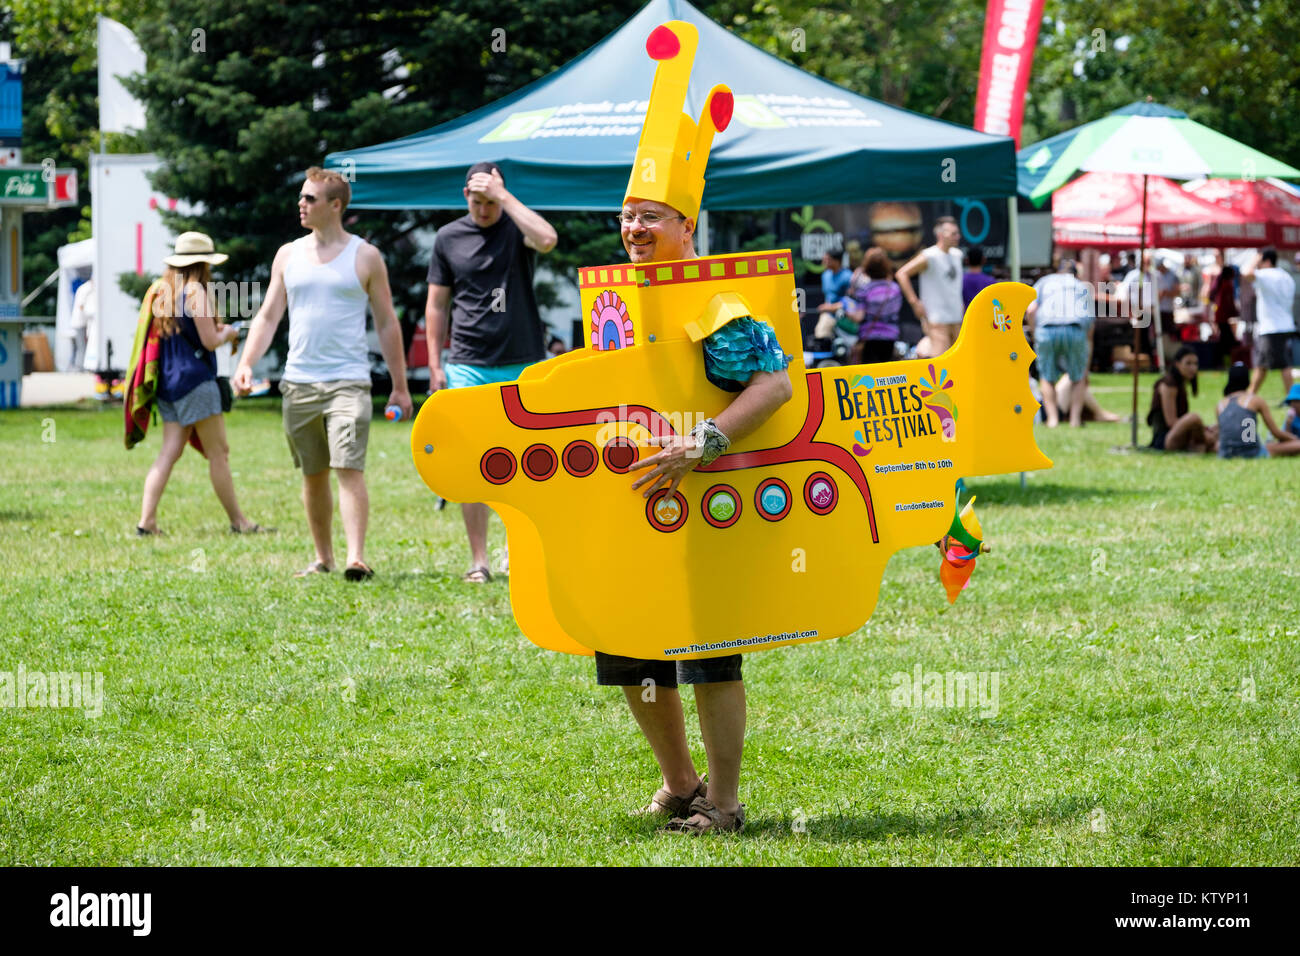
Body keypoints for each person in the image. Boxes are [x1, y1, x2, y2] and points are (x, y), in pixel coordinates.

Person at [608, 194, 793, 835]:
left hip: (709, 498)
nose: (634, 227)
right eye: (627, 215)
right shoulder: (617, 297)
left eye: (650, 216)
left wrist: (699, 443)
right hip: (634, 497)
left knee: (709, 649)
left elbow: (774, 385)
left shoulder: (717, 305)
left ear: (688, 224)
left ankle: (726, 803)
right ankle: (682, 785)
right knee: (631, 645)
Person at [232, 166, 413, 580]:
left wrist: (400, 386)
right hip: (299, 382)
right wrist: (245, 363)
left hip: (349, 381)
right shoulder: (288, 254)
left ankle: (356, 558)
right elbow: (269, 314)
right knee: (313, 474)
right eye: (301, 196)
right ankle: (323, 557)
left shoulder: (365, 256)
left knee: (348, 467)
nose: (301, 203)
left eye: (309, 198)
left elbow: (387, 323)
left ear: (335, 206)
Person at [425, 162, 558, 583]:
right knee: (474, 462)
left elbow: (549, 240)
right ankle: (479, 561)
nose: (483, 209)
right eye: (476, 201)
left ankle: (520, 551)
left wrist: (505, 197)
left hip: (521, 360)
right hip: (467, 361)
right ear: (465, 195)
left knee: (529, 461)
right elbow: (437, 305)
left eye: (489, 201)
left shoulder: (517, 227)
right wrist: (434, 365)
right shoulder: (448, 238)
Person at [136, 233, 268, 536]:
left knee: (169, 452)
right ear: (203, 264)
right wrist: (230, 334)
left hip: (168, 384)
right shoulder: (196, 291)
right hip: (195, 382)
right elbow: (209, 341)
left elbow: (187, 335)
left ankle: (147, 522)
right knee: (219, 452)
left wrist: (215, 331)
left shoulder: (164, 291)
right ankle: (239, 522)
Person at [1027, 258, 1093, 427]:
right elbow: (1090, 318)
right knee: (1079, 376)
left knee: (1046, 376)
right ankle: (1075, 420)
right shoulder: (1080, 285)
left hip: (1047, 329)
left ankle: (1052, 419)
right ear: (1074, 273)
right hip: (1075, 329)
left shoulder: (1044, 282)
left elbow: (1031, 310)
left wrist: (1035, 334)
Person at [896, 216, 964, 358]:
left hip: (956, 317)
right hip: (937, 318)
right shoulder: (930, 256)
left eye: (957, 233)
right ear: (940, 235)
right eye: (953, 234)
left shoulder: (957, 255)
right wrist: (915, 302)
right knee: (941, 362)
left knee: (958, 360)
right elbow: (902, 274)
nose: (957, 237)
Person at [1242, 248, 1296, 398]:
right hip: (1285, 325)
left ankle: (1250, 396)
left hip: (1272, 327)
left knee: (1271, 365)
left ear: (1265, 261)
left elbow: (1246, 273)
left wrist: (1255, 258)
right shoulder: (1286, 276)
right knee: (1270, 363)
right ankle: (1250, 395)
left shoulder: (1266, 274)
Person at [1216, 363, 1300, 458]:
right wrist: (1295, 439)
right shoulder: (1255, 400)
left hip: (1225, 453)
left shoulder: (1220, 404)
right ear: (1248, 381)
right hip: (1251, 452)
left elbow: (1222, 433)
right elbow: (1275, 432)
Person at [1146, 345, 1216, 452]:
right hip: (1165, 439)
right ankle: (1206, 442)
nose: (1193, 368)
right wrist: (1202, 432)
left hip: (1178, 434)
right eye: (1188, 363)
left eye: (1195, 364)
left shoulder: (1180, 383)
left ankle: (1204, 444)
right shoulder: (1169, 385)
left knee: (1217, 427)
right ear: (1177, 364)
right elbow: (1171, 422)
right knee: (1194, 418)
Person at [844, 246, 901, 364]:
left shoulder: (865, 290)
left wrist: (846, 310)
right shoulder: (895, 289)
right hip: (890, 337)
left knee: (870, 377)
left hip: (869, 338)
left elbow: (858, 317)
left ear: (867, 267)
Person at [1207, 263, 1239, 368]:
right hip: (1223, 316)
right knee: (1227, 342)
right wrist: (1234, 311)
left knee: (1224, 340)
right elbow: (1228, 301)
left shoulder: (1222, 283)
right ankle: (1223, 362)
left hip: (1220, 315)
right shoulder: (1227, 284)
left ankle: (1222, 362)